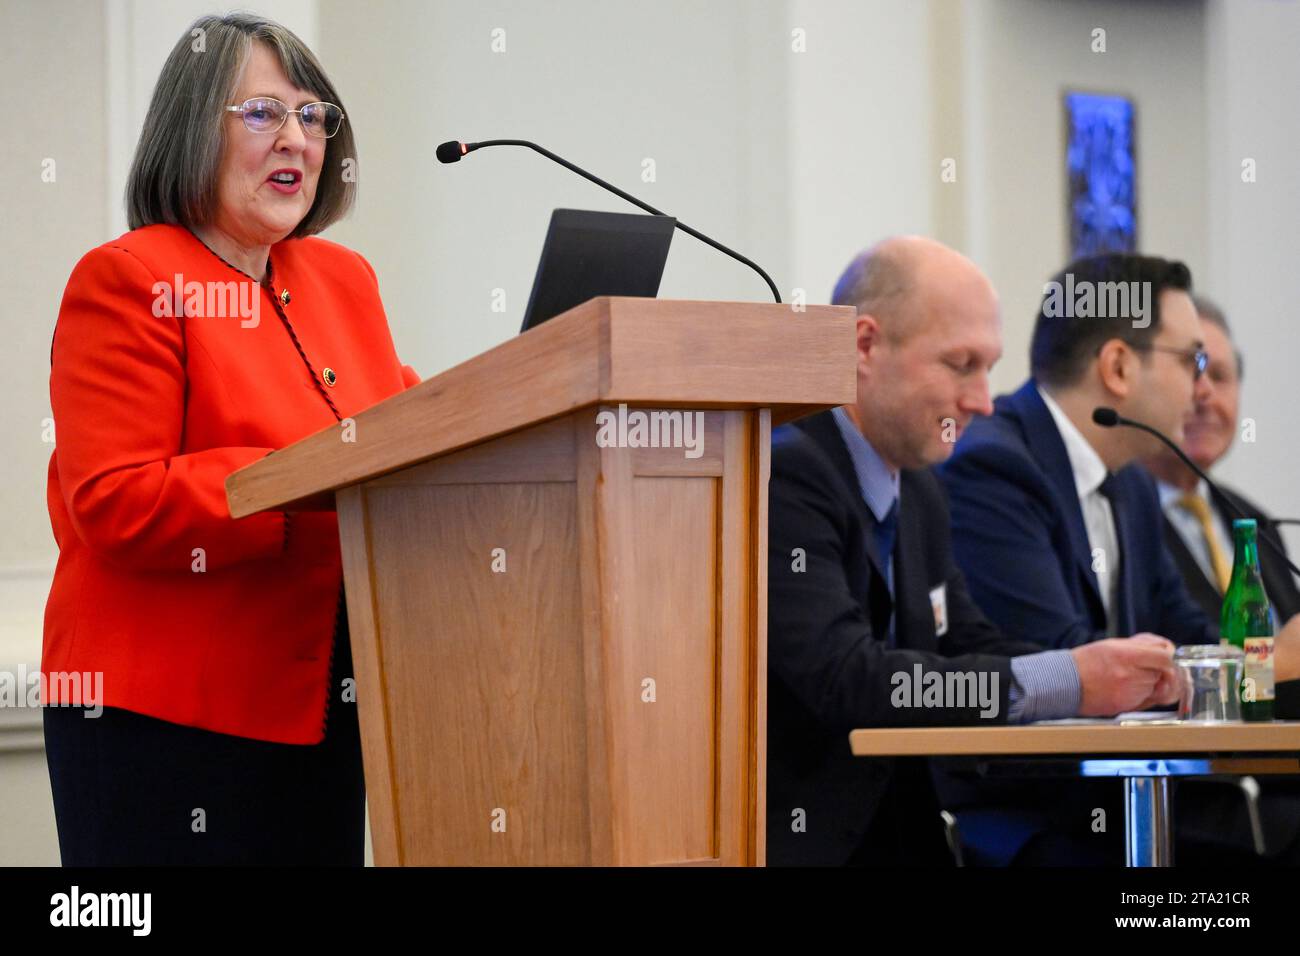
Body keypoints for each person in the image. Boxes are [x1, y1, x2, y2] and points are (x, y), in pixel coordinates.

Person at [42, 13, 419, 865]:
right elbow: (114, 498)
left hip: (326, 704)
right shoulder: (129, 278)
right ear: (191, 130)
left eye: (313, 116)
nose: (298, 138)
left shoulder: (343, 280)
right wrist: (302, 480)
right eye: (262, 113)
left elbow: (402, 426)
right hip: (164, 721)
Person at [767, 237, 1179, 867]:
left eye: (989, 368)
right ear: (864, 346)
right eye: (961, 365)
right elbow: (850, 680)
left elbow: (965, 641)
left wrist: (1109, 673)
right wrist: (1069, 681)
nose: (984, 401)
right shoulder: (788, 471)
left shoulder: (921, 487)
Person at [938, 252, 1300, 864]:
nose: (1202, 388)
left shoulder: (1130, 482)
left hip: (1128, 792)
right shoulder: (992, 468)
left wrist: (1255, 662)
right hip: (1037, 813)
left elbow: (1188, 631)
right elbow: (1063, 663)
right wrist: (1268, 663)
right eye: (1191, 361)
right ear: (1118, 367)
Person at [1141, 296, 1300, 633]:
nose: (1205, 394)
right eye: (1190, 372)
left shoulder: (1256, 521)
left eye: (1220, 375)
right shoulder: (1120, 516)